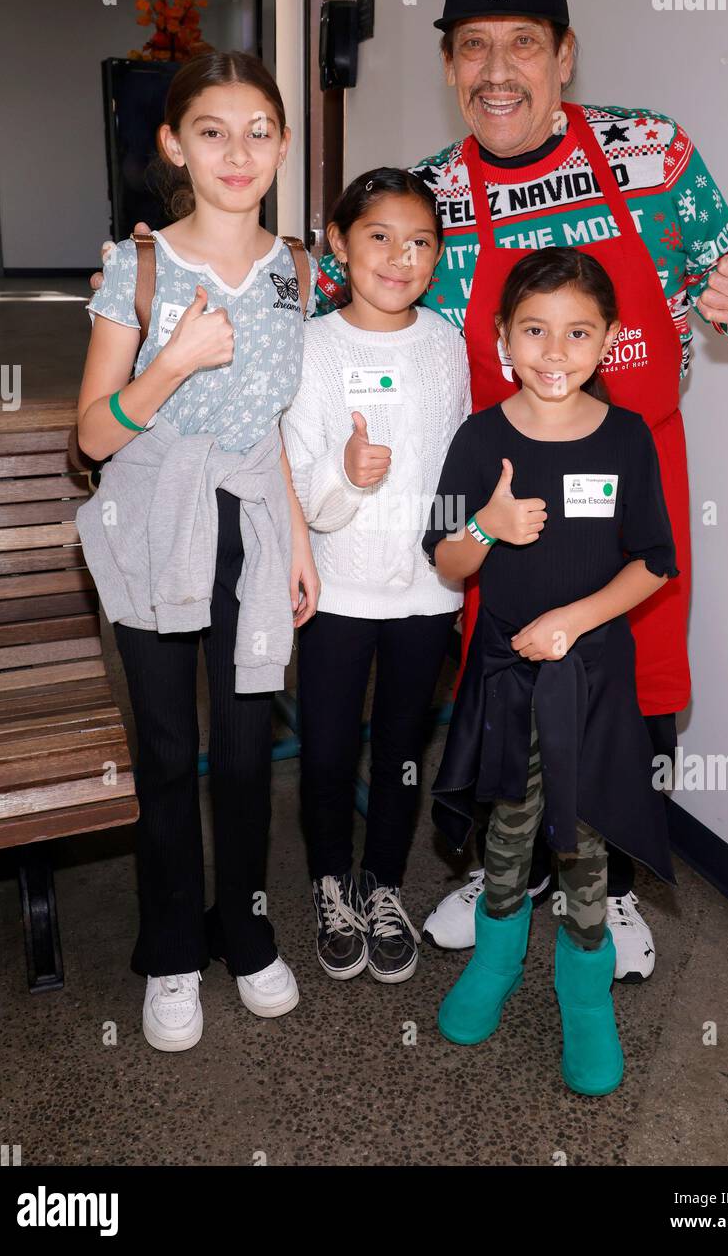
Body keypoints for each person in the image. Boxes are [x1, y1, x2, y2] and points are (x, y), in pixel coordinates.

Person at [316, 0, 728, 978]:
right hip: (505, 502)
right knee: (501, 694)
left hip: (631, 490)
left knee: (638, 691)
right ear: (447, 64)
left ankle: (610, 892)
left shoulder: (647, 155)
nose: (496, 69)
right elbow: (332, 303)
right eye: (472, 45)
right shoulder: (429, 202)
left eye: (523, 43)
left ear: (564, 54)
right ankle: (502, 877)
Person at [75, 51, 320, 1052]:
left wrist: (300, 541)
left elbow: (276, 427)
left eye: (259, 130)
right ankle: (173, 945)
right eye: (211, 131)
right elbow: (91, 436)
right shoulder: (135, 266)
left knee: (250, 748)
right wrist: (172, 360)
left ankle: (248, 930)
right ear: (175, 144)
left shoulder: (298, 270)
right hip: (154, 529)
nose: (238, 152)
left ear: (282, 145)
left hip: (252, 532)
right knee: (171, 750)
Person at [421, 247, 678, 1096]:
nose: (554, 352)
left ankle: (586, 996)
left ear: (607, 340)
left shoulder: (627, 436)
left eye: (577, 333)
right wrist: (489, 526)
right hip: (503, 674)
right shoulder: (479, 437)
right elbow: (450, 561)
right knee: (507, 827)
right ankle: (494, 967)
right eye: (534, 331)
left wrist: (571, 620)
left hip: (592, 677)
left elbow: (654, 563)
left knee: (584, 840)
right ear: (501, 338)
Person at [281, 168, 470, 983]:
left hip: (427, 593)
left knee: (401, 747)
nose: (401, 257)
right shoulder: (315, 349)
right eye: (380, 237)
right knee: (325, 747)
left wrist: (457, 563)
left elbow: (455, 461)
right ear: (339, 243)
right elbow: (298, 486)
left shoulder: (446, 342)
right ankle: (331, 880)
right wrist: (347, 472)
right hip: (336, 591)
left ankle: (384, 882)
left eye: (421, 241)